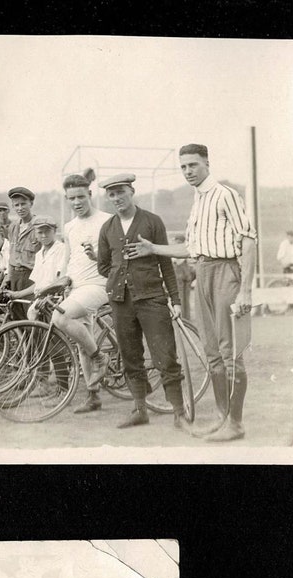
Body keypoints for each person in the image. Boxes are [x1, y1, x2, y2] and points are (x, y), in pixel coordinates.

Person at [127, 143, 257, 442]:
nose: (188, 171)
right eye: (183, 166)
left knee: (230, 352)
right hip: (202, 274)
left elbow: (248, 240)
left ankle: (235, 422)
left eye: (193, 165)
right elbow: (191, 249)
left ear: (207, 163)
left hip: (226, 274)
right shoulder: (198, 201)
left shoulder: (225, 195)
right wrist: (154, 248)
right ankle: (223, 418)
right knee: (211, 353)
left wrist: (246, 292)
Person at [96, 173, 187, 431]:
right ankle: (140, 409)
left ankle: (179, 411)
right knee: (130, 356)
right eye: (111, 194)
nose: (117, 198)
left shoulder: (152, 222)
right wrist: (120, 273)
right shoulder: (108, 228)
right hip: (121, 302)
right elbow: (104, 265)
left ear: (131, 191)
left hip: (152, 299)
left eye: (121, 192)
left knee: (165, 355)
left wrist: (176, 300)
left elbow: (166, 264)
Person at [56, 170, 112, 413]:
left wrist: (97, 256)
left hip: (99, 285)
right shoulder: (69, 226)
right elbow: (68, 258)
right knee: (81, 341)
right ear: (67, 200)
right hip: (76, 287)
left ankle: (100, 357)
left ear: (90, 195)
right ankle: (93, 395)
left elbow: (115, 257)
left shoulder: (107, 221)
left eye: (81, 197)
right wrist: (62, 279)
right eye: (71, 198)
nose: (77, 202)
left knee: (61, 317)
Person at [6, 186, 41, 315]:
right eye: (16, 205)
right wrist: (8, 278)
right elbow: (11, 255)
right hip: (15, 277)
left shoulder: (39, 226)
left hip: (31, 277)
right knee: (16, 316)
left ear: (31, 204)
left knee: (32, 316)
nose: (20, 208)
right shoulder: (13, 227)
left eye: (23, 204)